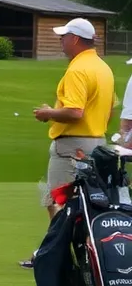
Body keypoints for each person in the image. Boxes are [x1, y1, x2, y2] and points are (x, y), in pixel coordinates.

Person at [29, 17, 115, 240]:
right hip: (97, 143)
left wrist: (48, 113)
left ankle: (56, 253)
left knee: (57, 199)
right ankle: (85, 249)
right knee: (88, 200)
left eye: (64, 37)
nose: (60, 41)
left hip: (71, 144)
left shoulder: (77, 69)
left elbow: (75, 111)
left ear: (75, 39)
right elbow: (110, 109)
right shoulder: (103, 68)